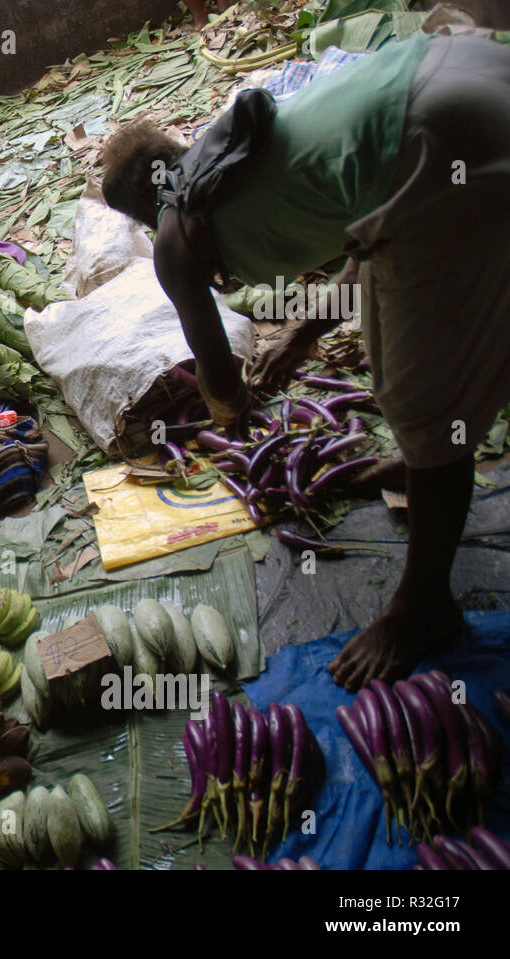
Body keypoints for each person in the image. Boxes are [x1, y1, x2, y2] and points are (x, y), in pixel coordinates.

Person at [99, 34, 510, 691]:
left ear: (140, 215)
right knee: (393, 336)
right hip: (457, 72)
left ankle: (424, 603)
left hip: (442, 142)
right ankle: (423, 465)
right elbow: (370, 226)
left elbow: (220, 376)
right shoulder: (230, 149)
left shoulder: (176, 236)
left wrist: (230, 415)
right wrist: (303, 332)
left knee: (421, 397)